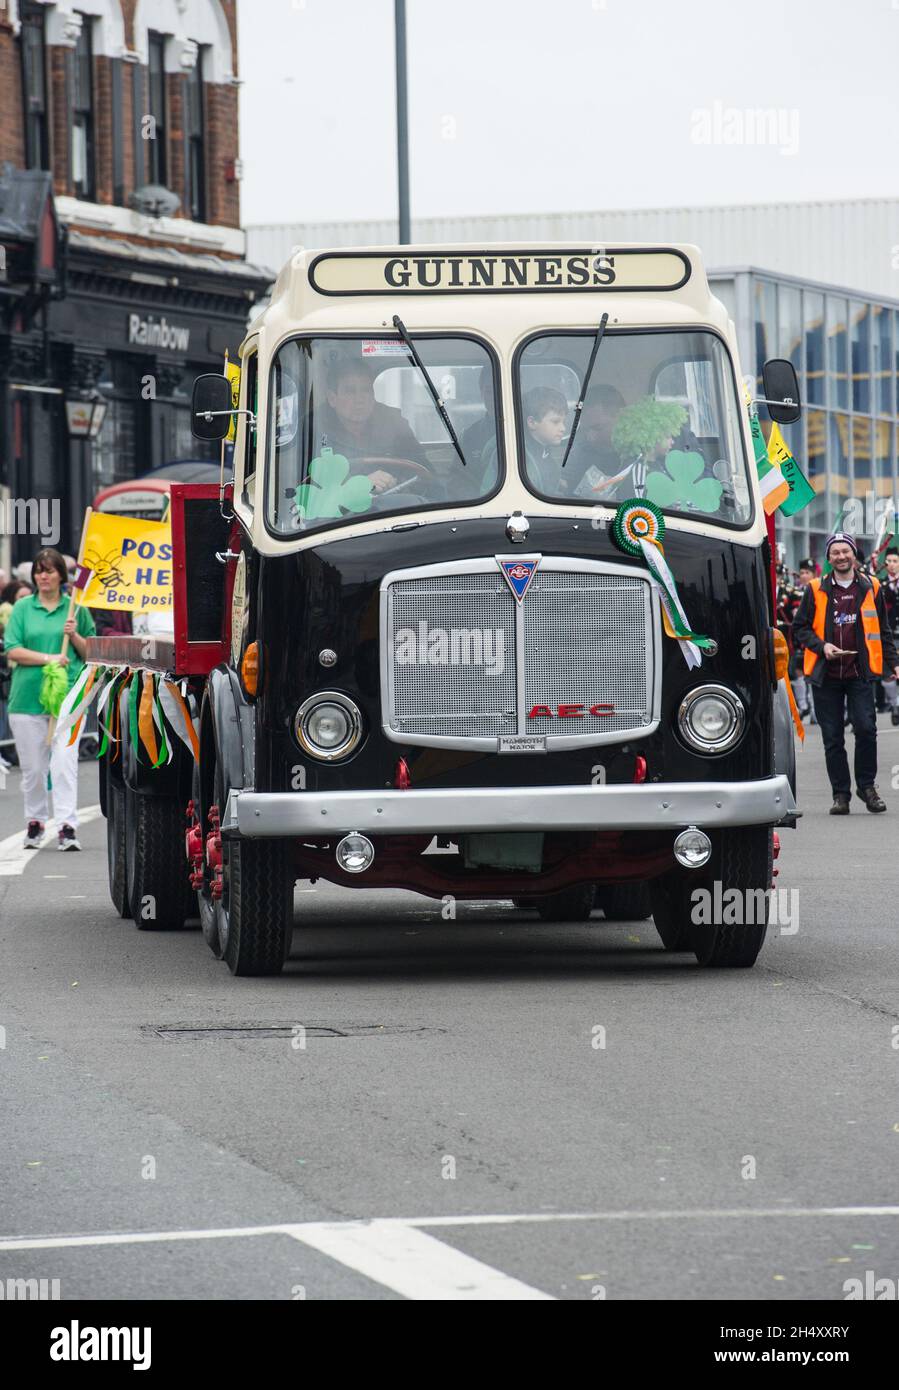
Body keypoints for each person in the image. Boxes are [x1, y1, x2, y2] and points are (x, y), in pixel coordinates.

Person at [792, 532, 899, 814]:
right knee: (833, 737)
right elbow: (799, 628)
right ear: (828, 559)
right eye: (835, 552)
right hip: (826, 675)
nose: (841, 556)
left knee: (866, 729)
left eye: (845, 551)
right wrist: (822, 645)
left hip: (860, 672)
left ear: (854, 554)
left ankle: (867, 787)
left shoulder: (871, 586)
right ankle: (841, 795)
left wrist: (894, 662)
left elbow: (883, 631)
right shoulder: (815, 589)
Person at [3, 548, 96, 849]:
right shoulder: (22, 609)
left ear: (61, 575)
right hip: (27, 699)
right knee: (33, 769)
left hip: (67, 699)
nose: (43, 576)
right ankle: (35, 821)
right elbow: (13, 650)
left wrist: (76, 635)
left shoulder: (76, 609)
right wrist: (49, 658)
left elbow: (91, 654)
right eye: (39, 571)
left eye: (50, 570)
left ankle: (67, 826)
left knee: (65, 764)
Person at [316, 357, 423, 493]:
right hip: (345, 513)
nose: (360, 399)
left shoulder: (394, 422)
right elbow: (312, 489)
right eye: (350, 391)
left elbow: (423, 470)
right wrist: (359, 484)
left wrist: (397, 482)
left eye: (366, 390)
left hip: (396, 508)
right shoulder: (315, 428)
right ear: (332, 398)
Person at [522, 386, 568, 493]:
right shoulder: (525, 462)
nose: (563, 428)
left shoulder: (544, 452)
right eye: (555, 422)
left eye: (563, 422)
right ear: (532, 422)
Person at [879, 547, 899, 726]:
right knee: (888, 674)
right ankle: (895, 704)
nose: (892, 565)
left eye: (895, 561)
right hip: (889, 635)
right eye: (889, 561)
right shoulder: (881, 585)